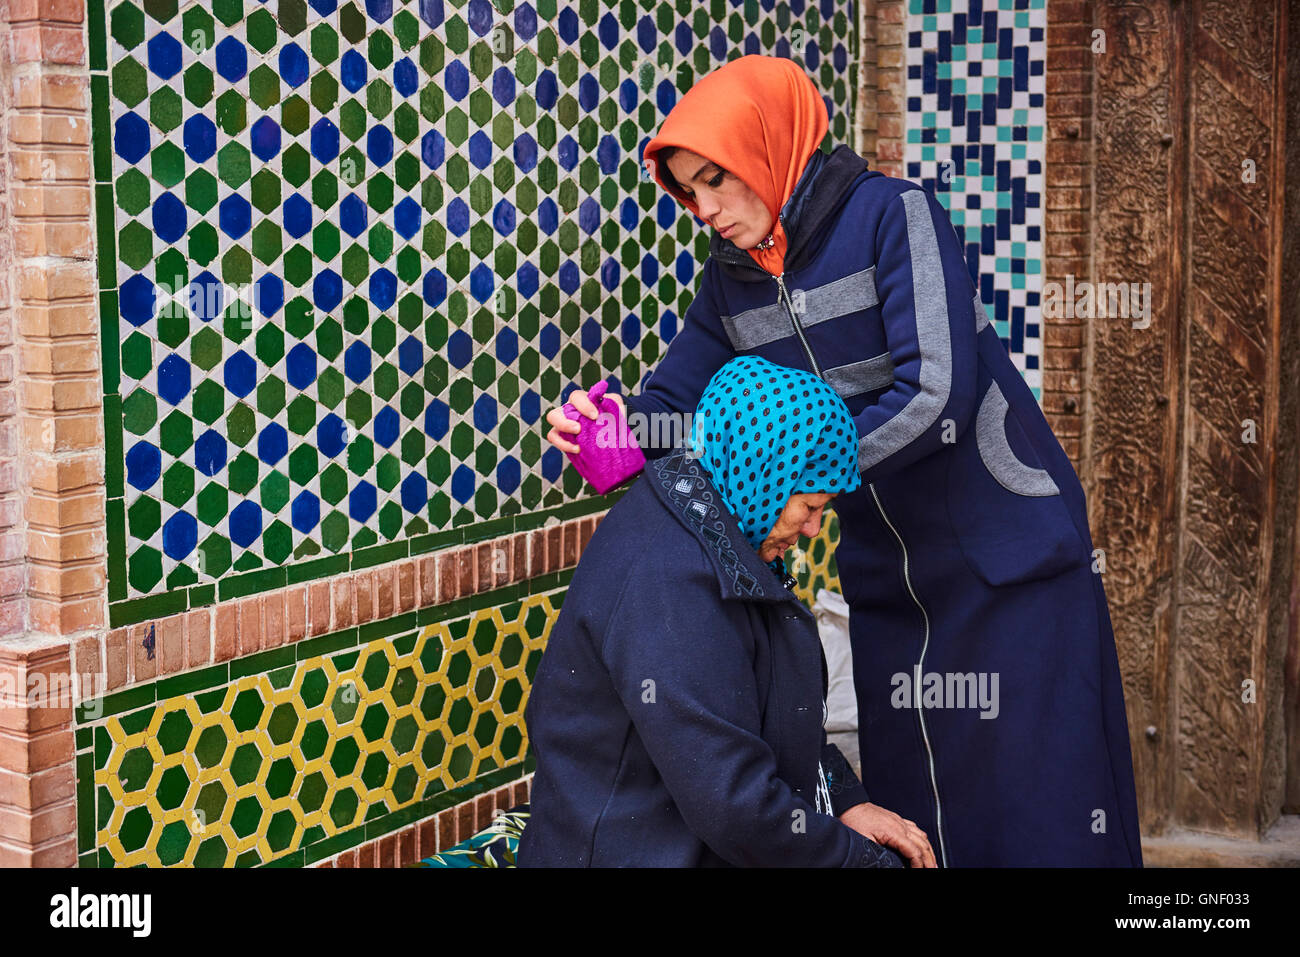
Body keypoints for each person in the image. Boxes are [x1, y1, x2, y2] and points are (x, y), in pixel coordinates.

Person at [544, 55, 1142, 867]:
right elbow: (681, 411)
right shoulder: (732, 282)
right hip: (889, 576)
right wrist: (612, 431)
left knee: (1038, 800)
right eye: (688, 191)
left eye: (716, 179)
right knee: (912, 804)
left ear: (769, 146)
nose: (706, 209)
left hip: (1007, 557)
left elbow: (937, 400)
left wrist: (797, 471)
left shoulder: (895, 217)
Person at [519, 356, 935, 867]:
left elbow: (771, 712)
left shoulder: (720, 526)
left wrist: (848, 800)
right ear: (766, 477)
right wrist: (860, 861)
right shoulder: (672, 582)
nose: (812, 529)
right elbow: (734, 803)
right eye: (809, 506)